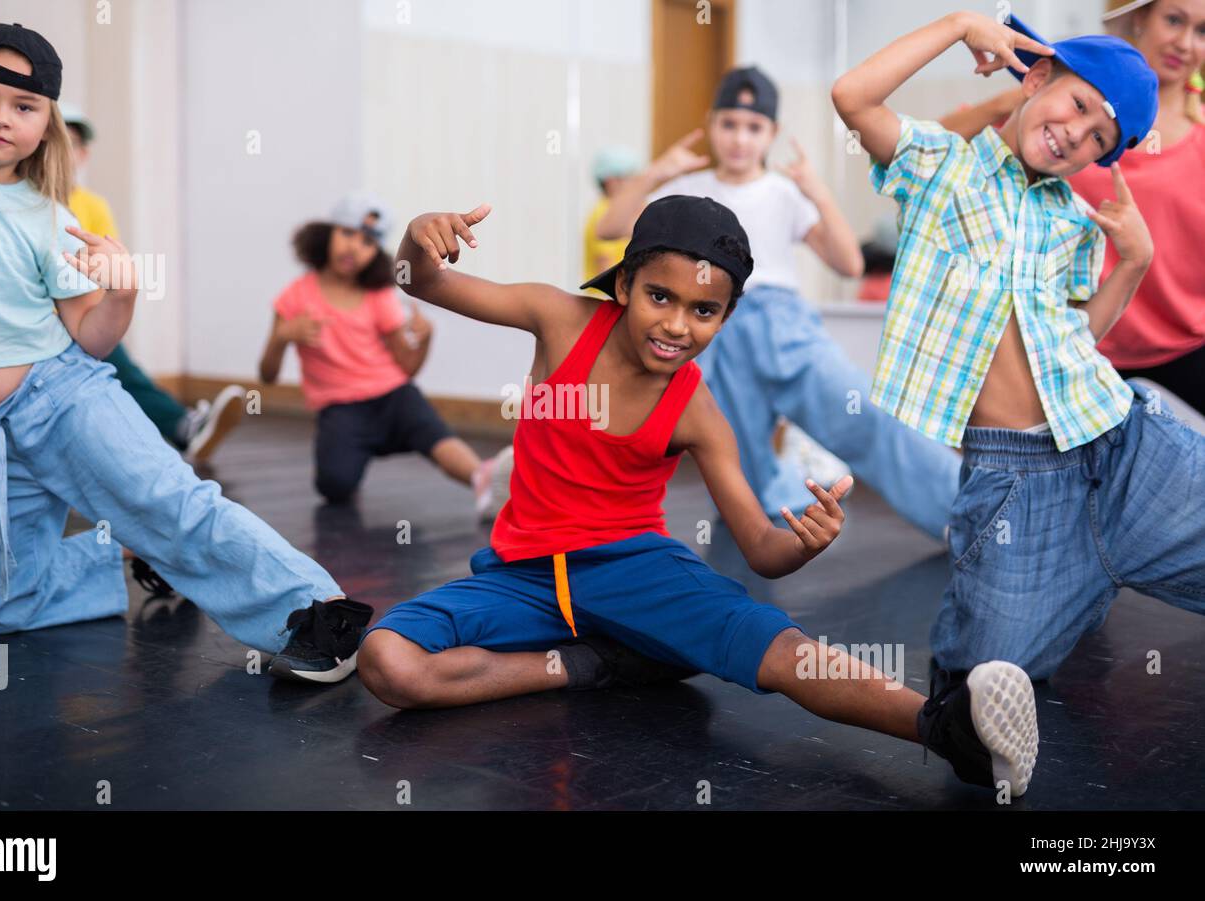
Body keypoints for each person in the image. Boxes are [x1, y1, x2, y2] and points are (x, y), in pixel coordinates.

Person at [347, 195, 1041, 798]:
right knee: (388, 658)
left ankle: (945, 728)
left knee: (779, 649)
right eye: (661, 297)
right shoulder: (556, 318)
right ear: (624, 284)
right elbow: (419, 280)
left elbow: (761, 552)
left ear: (726, 315)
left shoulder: (697, 412)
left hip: (635, 568)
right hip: (522, 574)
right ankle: (594, 661)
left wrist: (802, 541)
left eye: (704, 310)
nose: (678, 324)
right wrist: (418, 233)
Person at [0, 23, 370, 685]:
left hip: (62, 398)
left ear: (47, 127)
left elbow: (91, 336)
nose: (1, 117)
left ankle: (315, 612)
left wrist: (120, 295)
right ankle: (115, 555)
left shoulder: (48, 217)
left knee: (171, 503)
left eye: (24, 106)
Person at [833, 10, 1205, 682]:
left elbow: (1081, 335)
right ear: (1035, 77)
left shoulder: (1073, 220)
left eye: (1101, 137)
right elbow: (852, 96)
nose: (1078, 133)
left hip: (1119, 439)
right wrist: (958, 26)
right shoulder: (938, 166)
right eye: (1078, 103)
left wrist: (1134, 263)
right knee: (974, 679)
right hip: (1015, 477)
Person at [597, 66, 960, 542]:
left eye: (753, 128)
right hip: (716, 330)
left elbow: (849, 263)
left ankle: (964, 509)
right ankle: (761, 508)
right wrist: (657, 171)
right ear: (711, 124)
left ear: (772, 133)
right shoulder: (687, 192)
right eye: (728, 124)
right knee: (734, 457)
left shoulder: (784, 192)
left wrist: (816, 191)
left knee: (864, 417)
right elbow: (610, 226)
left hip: (782, 325)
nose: (740, 139)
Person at [939, 0, 1205, 418]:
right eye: (1173, 20)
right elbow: (927, 156)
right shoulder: (1060, 116)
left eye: (1203, 32)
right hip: (1070, 351)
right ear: (1139, 17)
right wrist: (1006, 102)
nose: (1185, 44)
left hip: (1187, 358)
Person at [257, 193, 513, 515]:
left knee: (434, 433)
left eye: (366, 242)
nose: (353, 247)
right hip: (340, 409)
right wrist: (282, 337)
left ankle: (486, 481)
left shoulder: (378, 296)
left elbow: (407, 368)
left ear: (375, 252)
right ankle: (349, 451)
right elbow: (267, 375)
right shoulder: (295, 297)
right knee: (333, 487)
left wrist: (426, 340)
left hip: (393, 396)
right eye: (347, 233)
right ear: (327, 234)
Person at [60, 104, 246, 463]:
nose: (63, 152)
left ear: (82, 155)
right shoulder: (32, 199)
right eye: (56, 141)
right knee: (114, 370)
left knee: (114, 365)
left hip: (81, 309)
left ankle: (180, 427)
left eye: (71, 144)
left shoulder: (92, 204)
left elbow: (107, 265)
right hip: (49, 313)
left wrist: (101, 313)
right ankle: (182, 425)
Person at [583, 145, 641, 282]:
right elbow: (605, 268)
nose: (634, 185)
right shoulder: (606, 214)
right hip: (606, 298)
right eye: (629, 178)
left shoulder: (611, 209)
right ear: (611, 181)